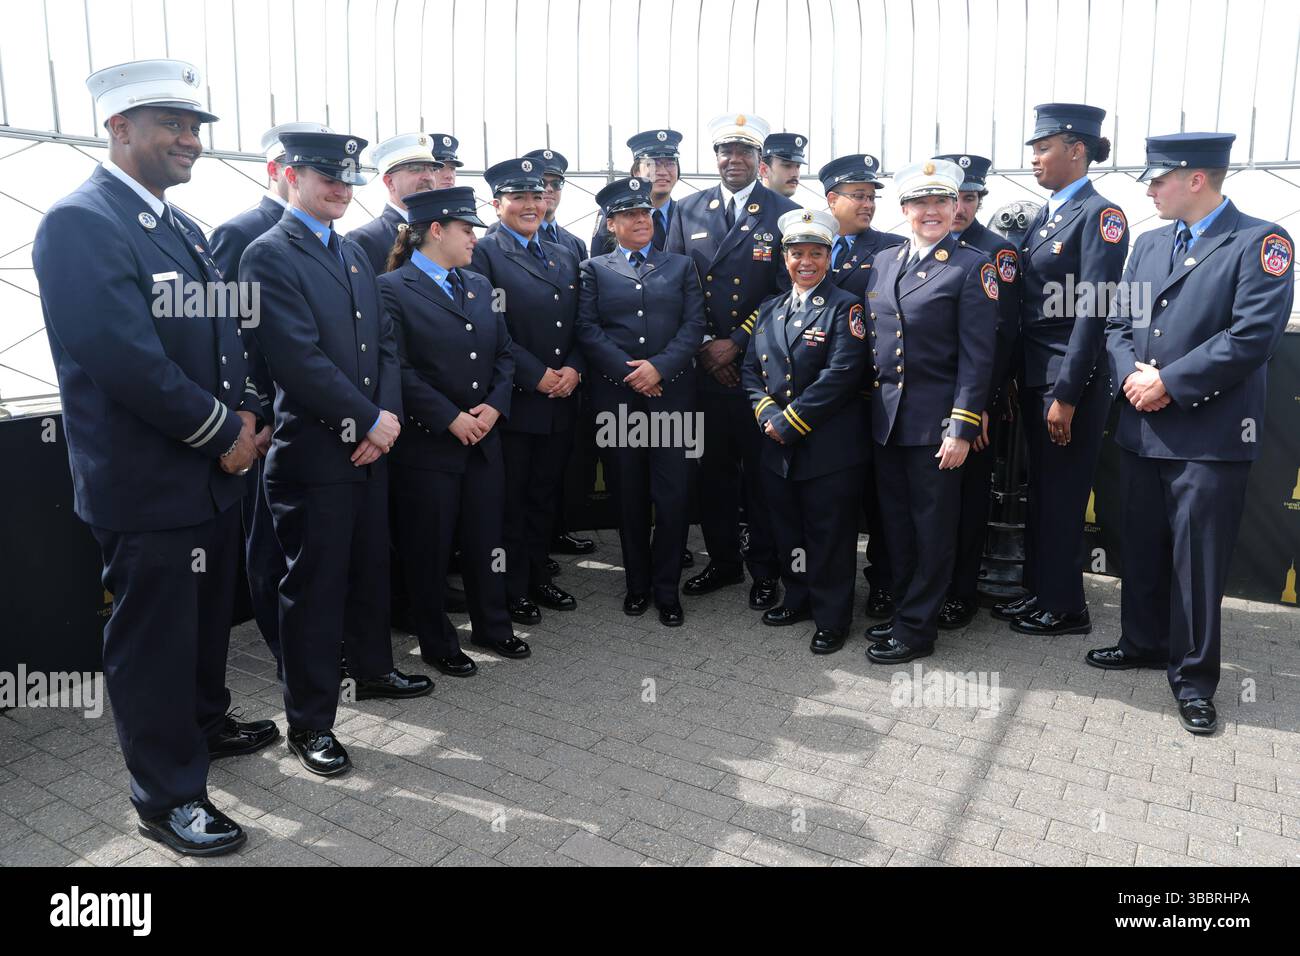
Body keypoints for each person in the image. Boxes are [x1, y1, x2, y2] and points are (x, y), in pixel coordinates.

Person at [33, 58, 276, 856]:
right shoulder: (82, 222)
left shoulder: (180, 226)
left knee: (206, 624)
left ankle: (205, 726)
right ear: (119, 128)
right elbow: (123, 358)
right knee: (155, 645)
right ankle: (167, 797)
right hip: (150, 485)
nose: (188, 139)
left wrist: (249, 412)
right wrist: (225, 431)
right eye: (170, 123)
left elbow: (220, 340)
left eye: (194, 126)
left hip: (209, 475)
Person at [240, 130, 433, 778]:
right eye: (325, 176)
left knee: (371, 570)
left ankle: (374, 671)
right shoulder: (269, 254)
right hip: (318, 458)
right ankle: (311, 724)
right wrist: (369, 420)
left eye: (347, 178)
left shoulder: (350, 254)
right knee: (315, 596)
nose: (338, 188)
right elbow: (296, 359)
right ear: (290, 175)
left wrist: (389, 419)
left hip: (369, 448)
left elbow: (384, 345)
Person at [1089, 133, 1294, 735]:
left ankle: (1195, 679)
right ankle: (1141, 642)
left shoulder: (1260, 242)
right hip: (1142, 426)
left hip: (1208, 436)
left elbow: (1252, 337)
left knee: (1197, 566)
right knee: (1143, 548)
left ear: (1195, 179)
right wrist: (1132, 378)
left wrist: (1170, 383)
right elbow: (1119, 321)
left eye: (1158, 179)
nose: (1149, 189)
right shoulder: (1149, 244)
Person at [378, 186, 530, 675]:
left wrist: (493, 408)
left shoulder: (479, 286)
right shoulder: (392, 289)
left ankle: (493, 625)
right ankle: (437, 640)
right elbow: (396, 368)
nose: (473, 240)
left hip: (484, 439)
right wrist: (450, 417)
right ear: (437, 230)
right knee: (430, 546)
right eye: (467, 230)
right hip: (429, 446)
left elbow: (504, 354)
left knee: (488, 539)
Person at [993, 103, 1129, 636]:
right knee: (1044, 492)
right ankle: (1041, 591)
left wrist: (1067, 394)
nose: (1033, 158)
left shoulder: (1101, 215)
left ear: (1077, 151)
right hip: (1036, 375)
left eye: (1042, 147)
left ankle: (1067, 606)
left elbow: (1093, 310)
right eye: (1033, 148)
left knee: (1063, 494)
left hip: (1066, 381)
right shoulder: (1049, 213)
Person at [862, 159, 998, 664]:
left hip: (936, 427)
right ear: (905, 209)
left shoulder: (970, 266)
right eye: (921, 203)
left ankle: (918, 630)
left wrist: (962, 427)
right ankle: (903, 614)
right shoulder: (884, 261)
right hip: (887, 423)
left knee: (933, 529)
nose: (933, 211)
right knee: (896, 527)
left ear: (956, 205)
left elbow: (978, 356)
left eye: (942, 201)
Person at [209, 120, 331, 668]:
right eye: (312, 168)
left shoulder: (330, 239)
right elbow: (232, 335)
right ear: (280, 171)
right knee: (269, 544)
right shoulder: (244, 233)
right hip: (266, 418)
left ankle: (318, 648)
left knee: (305, 543)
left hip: (310, 415)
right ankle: (287, 654)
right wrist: (251, 413)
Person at [667, 112, 799, 611]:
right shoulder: (688, 209)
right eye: (726, 151)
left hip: (758, 369)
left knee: (762, 476)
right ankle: (722, 561)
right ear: (716, 157)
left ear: (759, 159)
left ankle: (765, 570)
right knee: (713, 473)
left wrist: (737, 343)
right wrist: (705, 343)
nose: (734, 160)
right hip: (703, 366)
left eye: (744, 152)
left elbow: (786, 291)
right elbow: (676, 281)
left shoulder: (783, 210)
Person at [576, 177, 706, 625]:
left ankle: (667, 589)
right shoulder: (594, 268)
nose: (640, 220)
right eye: (629, 214)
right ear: (611, 223)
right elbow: (588, 330)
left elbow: (694, 327)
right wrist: (633, 374)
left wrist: (659, 368)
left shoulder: (681, 266)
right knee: (628, 495)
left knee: (672, 498)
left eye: (645, 212)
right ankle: (637, 585)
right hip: (619, 400)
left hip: (672, 398)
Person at [744, 208, 870, 654]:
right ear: (784, 258)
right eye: (797, 253)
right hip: (777, 446)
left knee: (829, 536)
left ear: (829, 256)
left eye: (816, 253)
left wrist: (789, 422)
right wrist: (766, 415)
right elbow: (748, 372)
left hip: (828, 449)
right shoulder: (769, 308)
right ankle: (797, 597)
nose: (806, 262)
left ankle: (832, 616)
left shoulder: (846, 306)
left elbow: (843, 374)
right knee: (788, 530)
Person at [471, 157, 584, 624]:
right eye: (518, 197)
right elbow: (487, 327)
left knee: (544, 497)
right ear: (497, 204)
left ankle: (538, 576)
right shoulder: (485, 252)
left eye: (537, 196)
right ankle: (511, 587)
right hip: (518, 400)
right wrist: (536, 374)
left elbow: (581, 320)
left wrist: (575, 367)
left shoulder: (563, 252)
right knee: (511, 503)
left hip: (562, 398)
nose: (531, 205)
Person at [932, 153, 1024, 630]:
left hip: (972, 405)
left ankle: (961, 592)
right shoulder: (924, 245)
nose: (961, 207)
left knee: (966, 504)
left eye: (969, 198)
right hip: (926, 403)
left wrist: (980, 408)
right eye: (954, 198)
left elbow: (1000, 337)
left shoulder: (995, 251)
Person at [819, 152, 908, 619]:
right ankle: (820, 585)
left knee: (880, 499)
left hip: (869, 394)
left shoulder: (891, 248)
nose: (869, 204)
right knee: (829, 501)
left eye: (873, 196)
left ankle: (883, 584)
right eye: (859, 196)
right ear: (832, 199)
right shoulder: (806, 245)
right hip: (817, 398)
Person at [346, 133, 443, 275]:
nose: (428, 177)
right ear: (389, 182)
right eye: (416, 169)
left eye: (431, 169)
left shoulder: (442, 231)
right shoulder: (366, 239)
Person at [591, 129, 682, 258]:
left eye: (670, 163)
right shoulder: (613, 215)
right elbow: (599, 264)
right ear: (636, 172)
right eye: (653, 164)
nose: (662, 171)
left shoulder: (685, 214)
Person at [524, 148, 589, 261]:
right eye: (541, 183)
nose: (549, 189)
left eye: (556, 183)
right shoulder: (508, 235)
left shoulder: (577, 244)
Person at [761, 132, 808, 198]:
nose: (795, 174)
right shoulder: (743, 207)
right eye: (787, 166)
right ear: (764, 170)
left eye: (798, 166)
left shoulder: (798, 208)